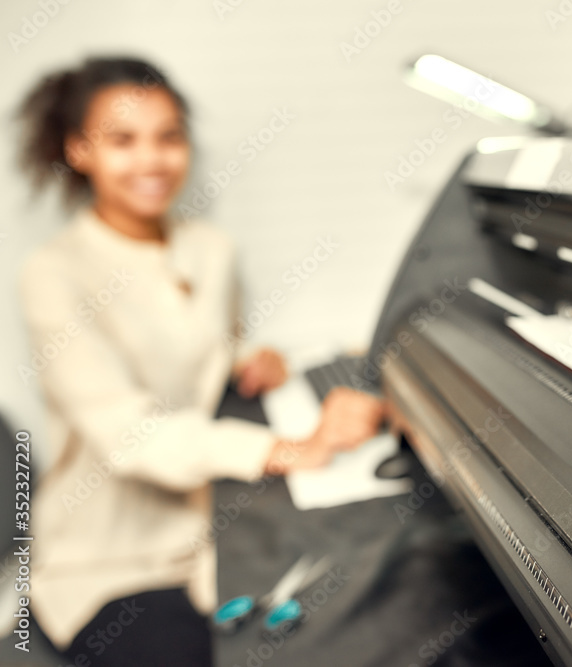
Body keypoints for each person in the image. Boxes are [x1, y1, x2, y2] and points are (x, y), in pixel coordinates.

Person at [16, 56, 384, 666]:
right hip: (114, 563)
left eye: (168, 137)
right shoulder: (53, 274)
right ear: (79, 150)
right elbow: (130, 434)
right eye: (123, 141)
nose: (152, 160)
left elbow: (193, 348)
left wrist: (251, 357)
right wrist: (288, 450)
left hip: (212, 526)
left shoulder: (211, 250)